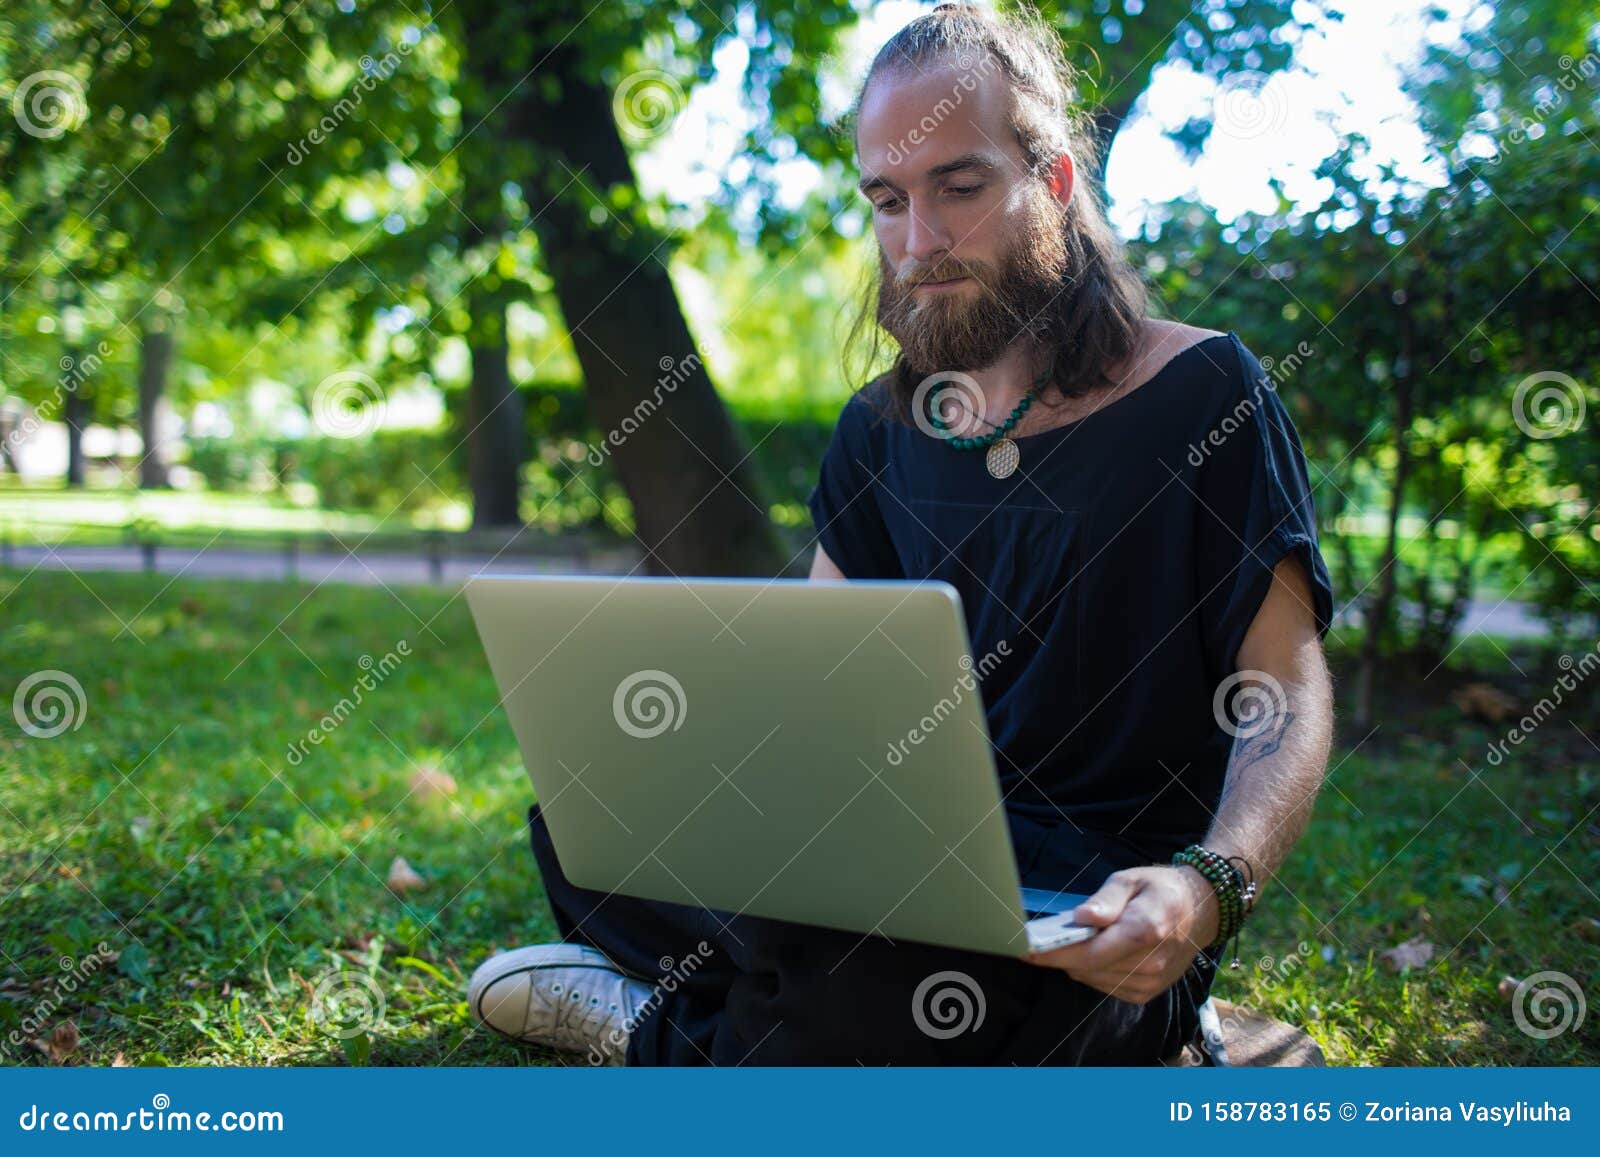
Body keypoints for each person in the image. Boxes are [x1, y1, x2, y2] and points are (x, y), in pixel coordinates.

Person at [466, 1, 1336, 1065]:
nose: (918, 240)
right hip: (912, 871)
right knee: (590, 823)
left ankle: (661, 1023)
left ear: (1052, 181)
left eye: (959, 188)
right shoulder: (876, 430)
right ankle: (779, 993)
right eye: (887, 198)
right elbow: (819, 707)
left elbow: (1286, 690)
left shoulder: (1206, 393)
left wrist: (1207, 888)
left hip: (1100, 903)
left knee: (892, 991)